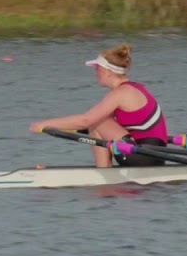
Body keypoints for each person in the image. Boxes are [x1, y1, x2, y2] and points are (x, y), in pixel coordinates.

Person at [29, 43, 168, 168]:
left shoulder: (121, 93)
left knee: (97, 121)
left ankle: (103, 172)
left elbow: (85, 120)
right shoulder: (135, 88)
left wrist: (43, 124)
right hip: (152, 156)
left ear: (107, 71)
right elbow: (87, 125)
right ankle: (103, 171)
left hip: (143, 157)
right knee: (95, 123)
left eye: (97, 69)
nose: (95, 73)